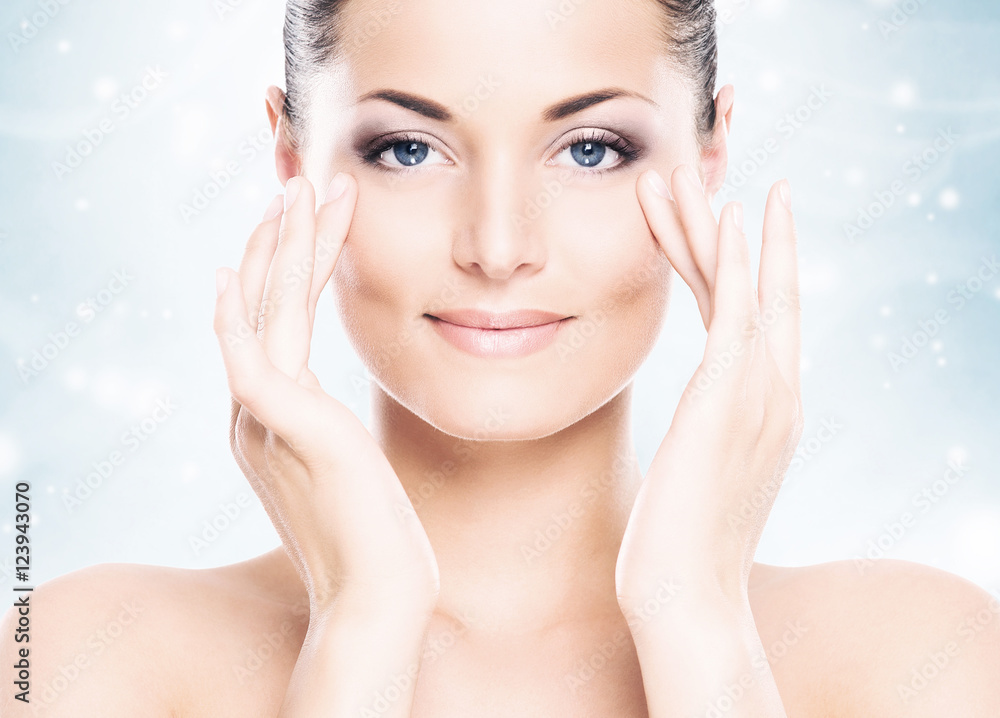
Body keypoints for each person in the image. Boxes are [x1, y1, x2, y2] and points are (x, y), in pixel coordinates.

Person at [4, 0, 999, 715]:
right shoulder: (78, 664)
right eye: (406, 148)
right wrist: (361, 630)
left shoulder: (922, 661)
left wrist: (695, 624)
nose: (496, 243)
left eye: (589, 147)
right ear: (292, 159)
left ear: (706, 159)